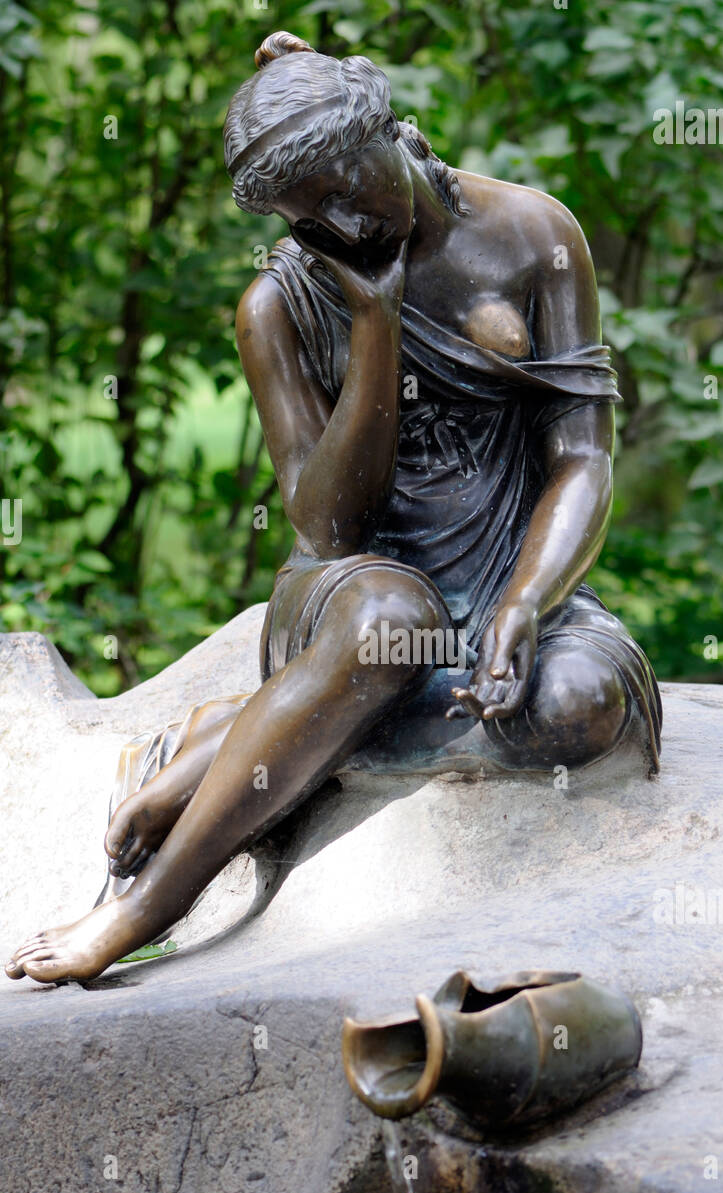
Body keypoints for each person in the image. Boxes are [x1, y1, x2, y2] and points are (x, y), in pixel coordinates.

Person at [6, 31, 660, 985]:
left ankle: (243, 734)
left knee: (575, 708)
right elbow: (328, 526)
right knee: (394, 624)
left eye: (350, 178)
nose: (346, 218)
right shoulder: (277, 308)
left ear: (388, 128)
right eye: (310, 212)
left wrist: (523, 604)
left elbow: (584, 462)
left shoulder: (533, 236)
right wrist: (374, 322)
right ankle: (151, 902)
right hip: (356, 591)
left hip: (508, 575)